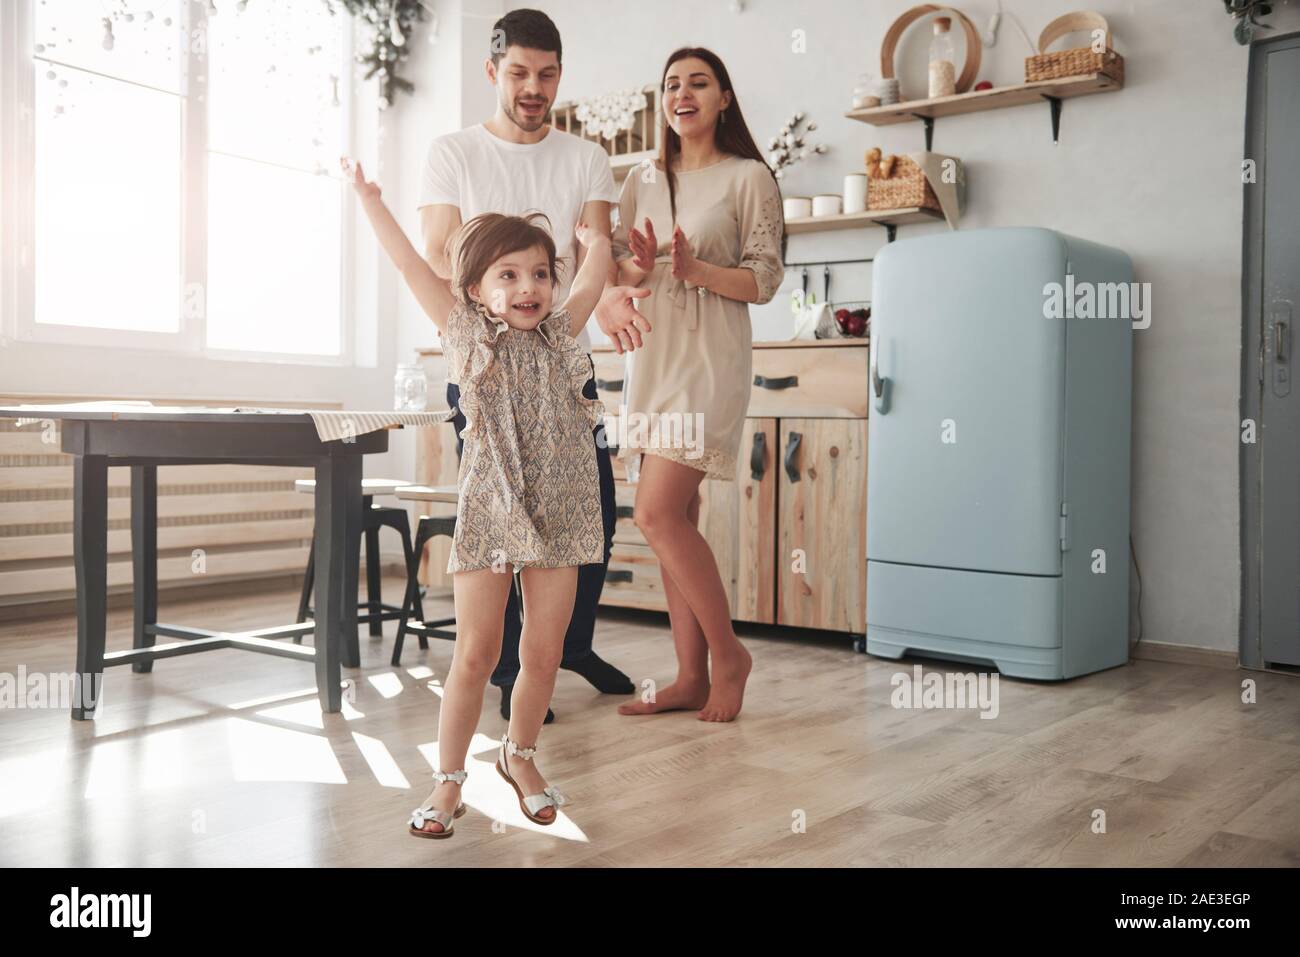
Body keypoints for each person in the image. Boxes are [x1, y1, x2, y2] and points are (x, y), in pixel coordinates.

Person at [345, 156, 612, 837]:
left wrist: (599, 234)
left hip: (563, 513)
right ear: (476, 289)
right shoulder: (467, 336)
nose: (530, 287)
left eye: (541, 272)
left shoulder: (562, 336)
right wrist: (372, 200)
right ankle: (448, 780)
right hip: (492, 513)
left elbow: (594, 273)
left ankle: (519, 758)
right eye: (510, 275)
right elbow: (410, 265)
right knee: (476, 654)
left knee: (544, 653)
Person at [418, 8, 650, 722]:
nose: (533, 87)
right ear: (493, 72)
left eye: (546, 74)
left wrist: (607, 293)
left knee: (595, 515)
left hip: (564, 361)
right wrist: (495, 309)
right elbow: (439, 252)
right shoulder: (453, 151)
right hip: (490, 366)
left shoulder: (584, 158)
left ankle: (565, 645)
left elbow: (594, 247)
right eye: (518, 72)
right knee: (508, 515)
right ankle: (511, 666)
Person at [610, 47, 785, 723]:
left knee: (654, 513)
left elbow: (762, 280)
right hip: (652, 360)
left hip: (708, 363)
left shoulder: (749, 178)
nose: (682, 94)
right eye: (671, 85)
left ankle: (728, 654)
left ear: (724, 98)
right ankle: (689, 675)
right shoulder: (641, 179)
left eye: (698, 83)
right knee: (675, 520)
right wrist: (637, 268)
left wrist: (697, 268)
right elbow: (624, 270)